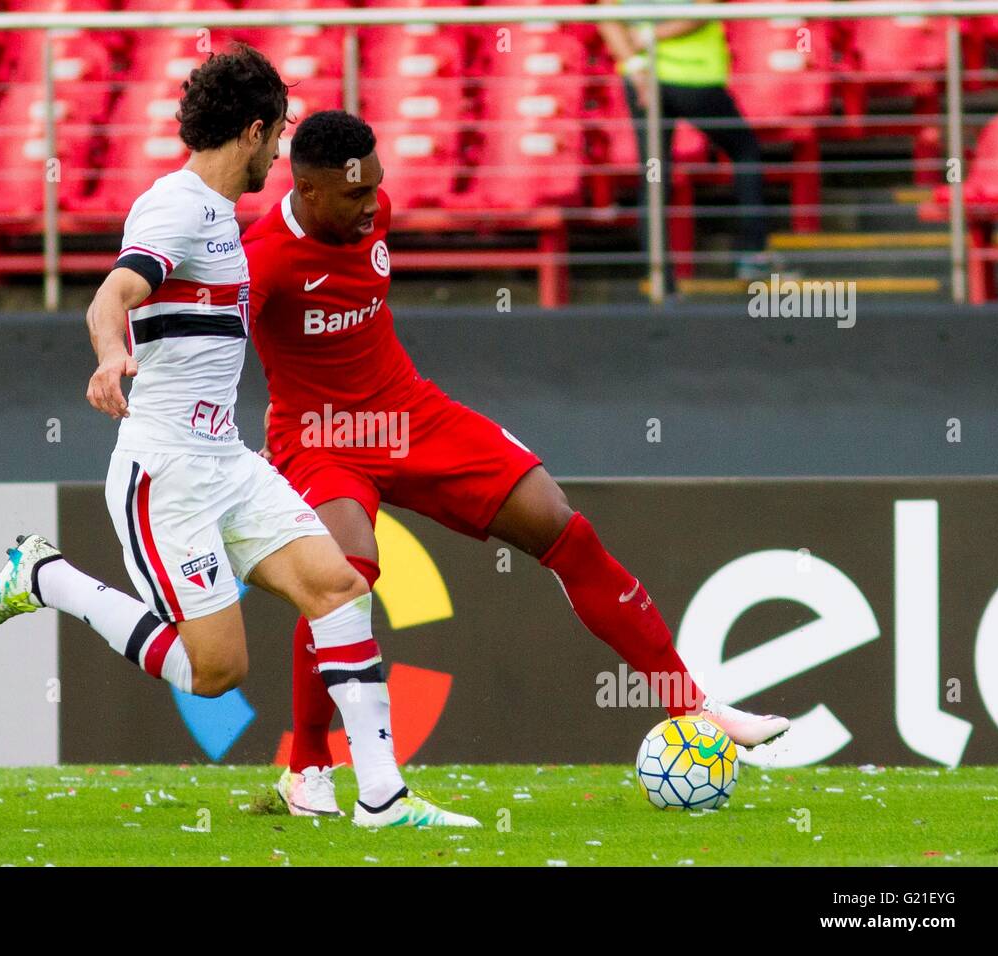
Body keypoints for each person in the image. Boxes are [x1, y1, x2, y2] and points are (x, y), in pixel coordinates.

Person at [0, 48, 476, 829]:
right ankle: (45, 577)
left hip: (227, 461)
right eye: (278, 136)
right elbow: (115, 293)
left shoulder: (222, 218)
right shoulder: (178, 207)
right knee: (216, 671)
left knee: (339, 589)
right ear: (256, 129)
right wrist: (109, 356)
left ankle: (381, 797)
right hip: (164, 474)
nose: (280, 152)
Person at [242, 110, 790, 817]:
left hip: (411, 413)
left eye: (376, 187)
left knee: (562, 525)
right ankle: (308, 770)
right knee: (345, 575)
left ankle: (697, 706)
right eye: (353, 195)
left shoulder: (373, 212)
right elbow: (218, 347)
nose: (372, 203)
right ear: (308, 190)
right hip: (318, 437)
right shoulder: (263, 257)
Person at [598, 0, 771, 287]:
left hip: (645, 77)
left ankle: (660, 280)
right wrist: (646, 47)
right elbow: (704, 10)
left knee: (654, 174)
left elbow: (607, 14)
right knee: (744, 150)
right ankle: (753, 256)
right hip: (693, 77)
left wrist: (636, 63)